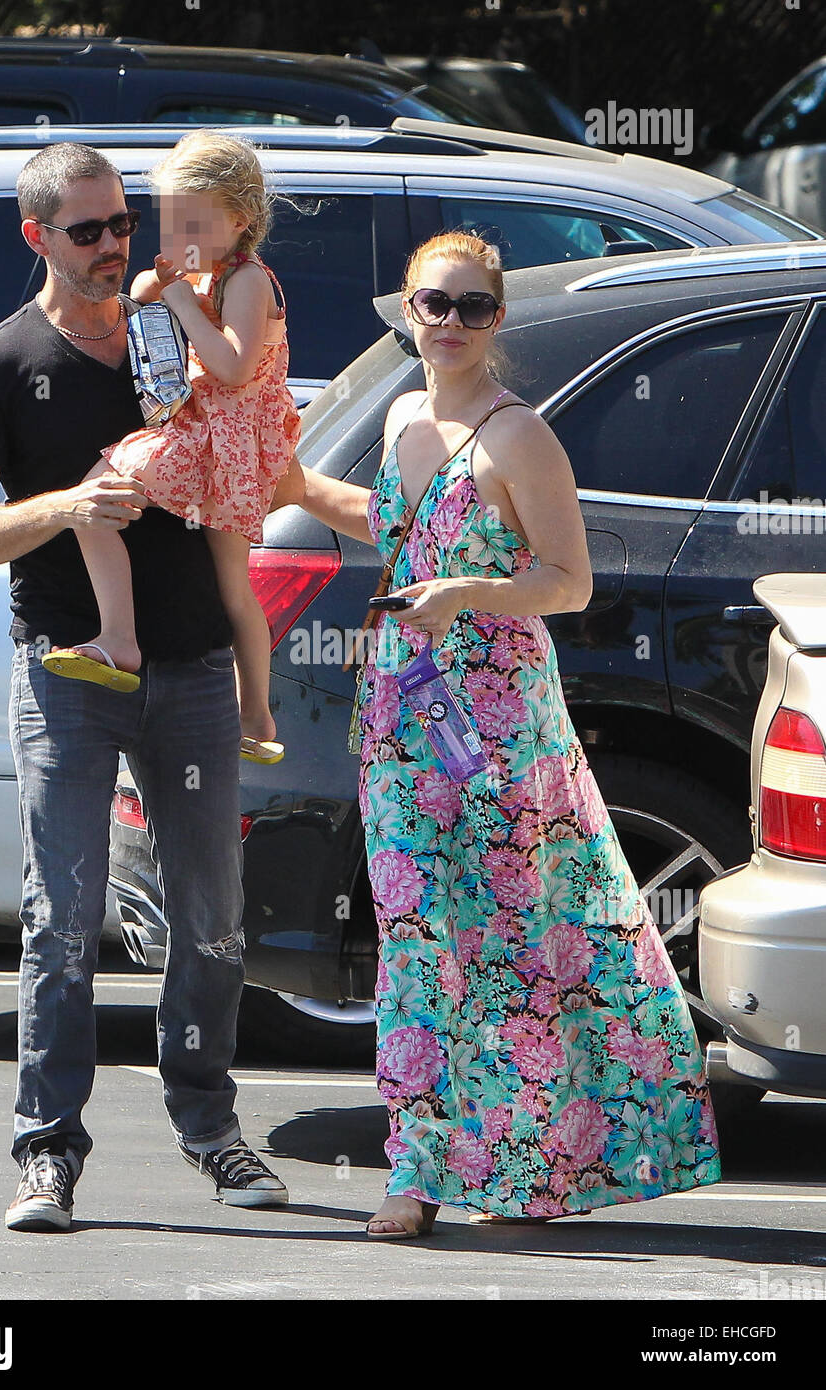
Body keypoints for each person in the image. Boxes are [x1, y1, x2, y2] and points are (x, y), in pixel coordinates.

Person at [273, 231, 721, 1238]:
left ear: (497, 321)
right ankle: (415, 1168)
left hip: (501, 731)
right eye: (437, 304)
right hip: (400, 723)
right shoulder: (397, 417)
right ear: (407, 307)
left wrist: (468, 593)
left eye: (475, 308)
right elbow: (400, 528)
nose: (452, 325)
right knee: (419, 947)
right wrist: (303, 492)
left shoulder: (518, 435)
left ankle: (526, 1168)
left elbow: (569, 580)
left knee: (516, 944)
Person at [0, 141, 288, 1231]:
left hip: (187, 668)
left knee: (211, 914)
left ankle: (213, 1132)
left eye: (123, 223)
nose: (113, 245)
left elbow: (242, 421)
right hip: (68, 671)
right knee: (62, 915)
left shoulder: (162, 322)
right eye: (86, 230)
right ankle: (48, 1152)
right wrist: (65, 508)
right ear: (36, 235)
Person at [43, 129, 300, 765]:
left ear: (238, 221)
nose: (174, 234)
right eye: (166, 218)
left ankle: (257, 715)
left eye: (193, 219)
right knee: (99, 496)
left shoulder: (247, 281)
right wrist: (157, 292)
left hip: (227, 441)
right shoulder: (204, 273)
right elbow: (135, 308)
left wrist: (183, 299)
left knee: (231, 585)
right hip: (202, 433)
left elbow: (234, 368)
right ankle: (121, 638)